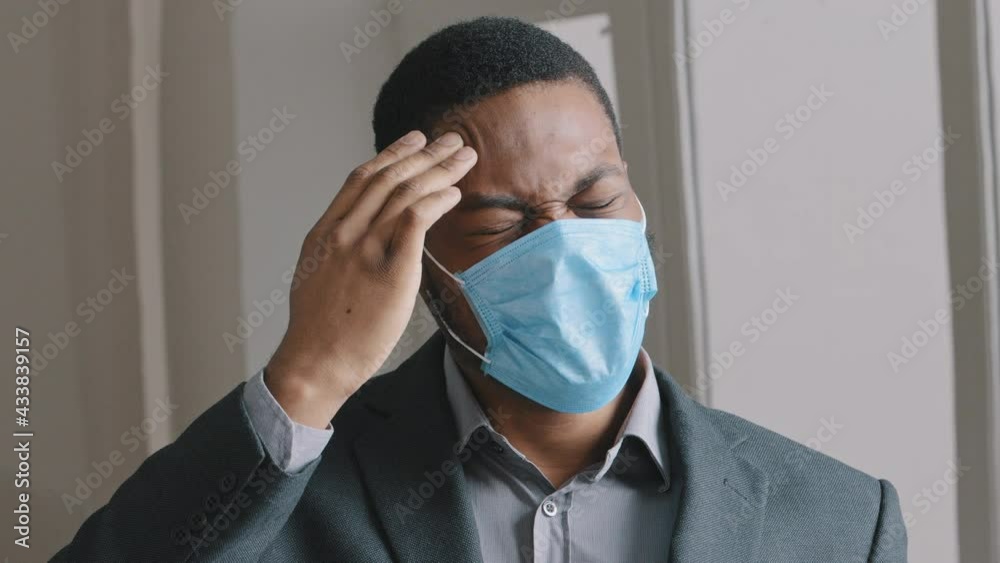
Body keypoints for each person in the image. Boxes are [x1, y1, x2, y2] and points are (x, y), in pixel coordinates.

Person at [55, 17, 907, 562]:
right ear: (422, 266)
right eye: (502, 223)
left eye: (595, 199)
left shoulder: (839, 519)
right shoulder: (294, 489)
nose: (565, 246)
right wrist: (306, 375)